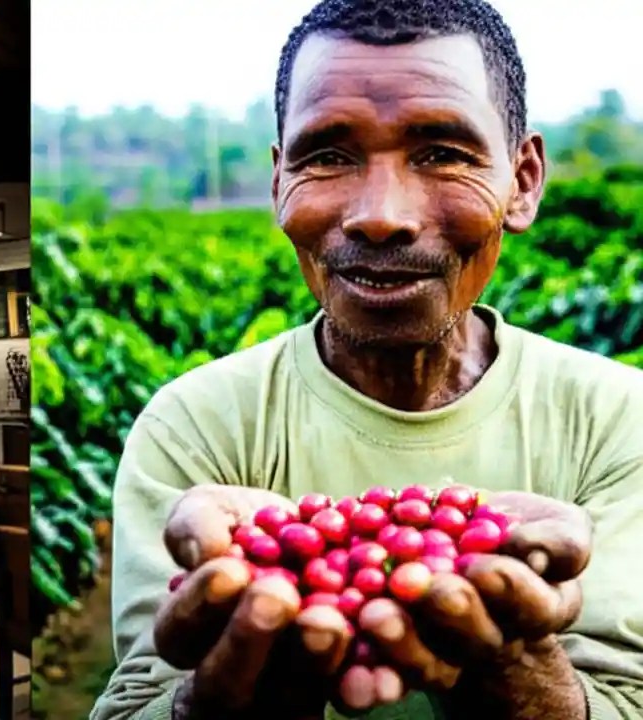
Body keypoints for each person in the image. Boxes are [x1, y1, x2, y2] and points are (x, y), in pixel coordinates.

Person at [89, 0, 643, 718]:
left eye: (443, 153)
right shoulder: (195, 423)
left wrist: (514, 671)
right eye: (327, 156)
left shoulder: (619, 418)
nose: (381, 214)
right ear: (278, 181)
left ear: (524, 180)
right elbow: (136, 703)